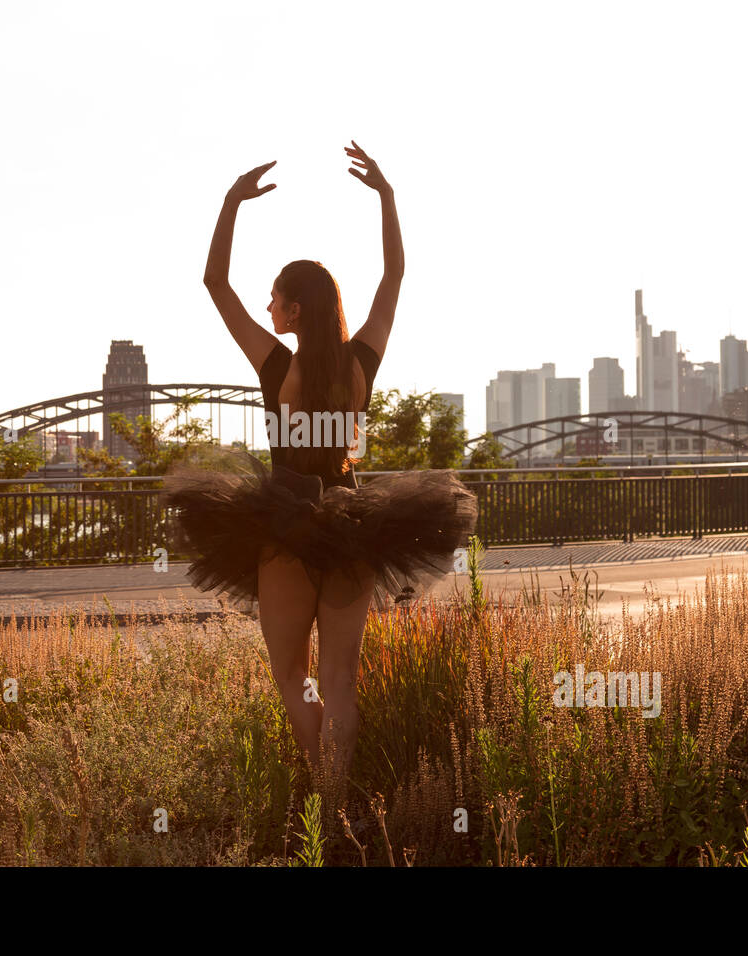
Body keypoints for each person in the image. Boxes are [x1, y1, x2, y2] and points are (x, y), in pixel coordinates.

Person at [162, 141, 478, 799]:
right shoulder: (360, 363)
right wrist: (388, 199)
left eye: (274, 299)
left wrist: (230, 203)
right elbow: (393, 280)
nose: (267, 306)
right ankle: (339, 803)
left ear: (293, 310)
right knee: (339, 683)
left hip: (283, 532)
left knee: (292, 680)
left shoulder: (278, 367)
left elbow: (213, 284)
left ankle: (322, 802)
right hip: (356, 528)